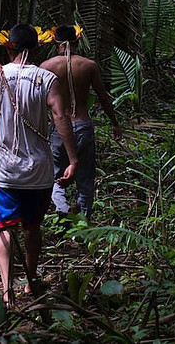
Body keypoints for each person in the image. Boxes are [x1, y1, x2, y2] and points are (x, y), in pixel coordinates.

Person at [0, 24, 79, 306]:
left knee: (4, 229)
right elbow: (61, 117)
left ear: (8, 47)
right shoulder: (47, 79)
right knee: (32, 228)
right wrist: (73, 158)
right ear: (38, 48)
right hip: (38, 172)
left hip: (0, 171)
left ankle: (6, 291)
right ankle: (29, 282)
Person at [41, 25, 123, 218]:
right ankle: (84, 220)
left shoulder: (46, 66)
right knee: (85, 176)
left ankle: (62, 208)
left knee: (54, 175)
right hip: (83, 125)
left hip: (59, 128)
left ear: (55, 42)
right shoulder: (88, 65)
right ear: (78, 41)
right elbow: (103, 97)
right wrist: (115, 123)